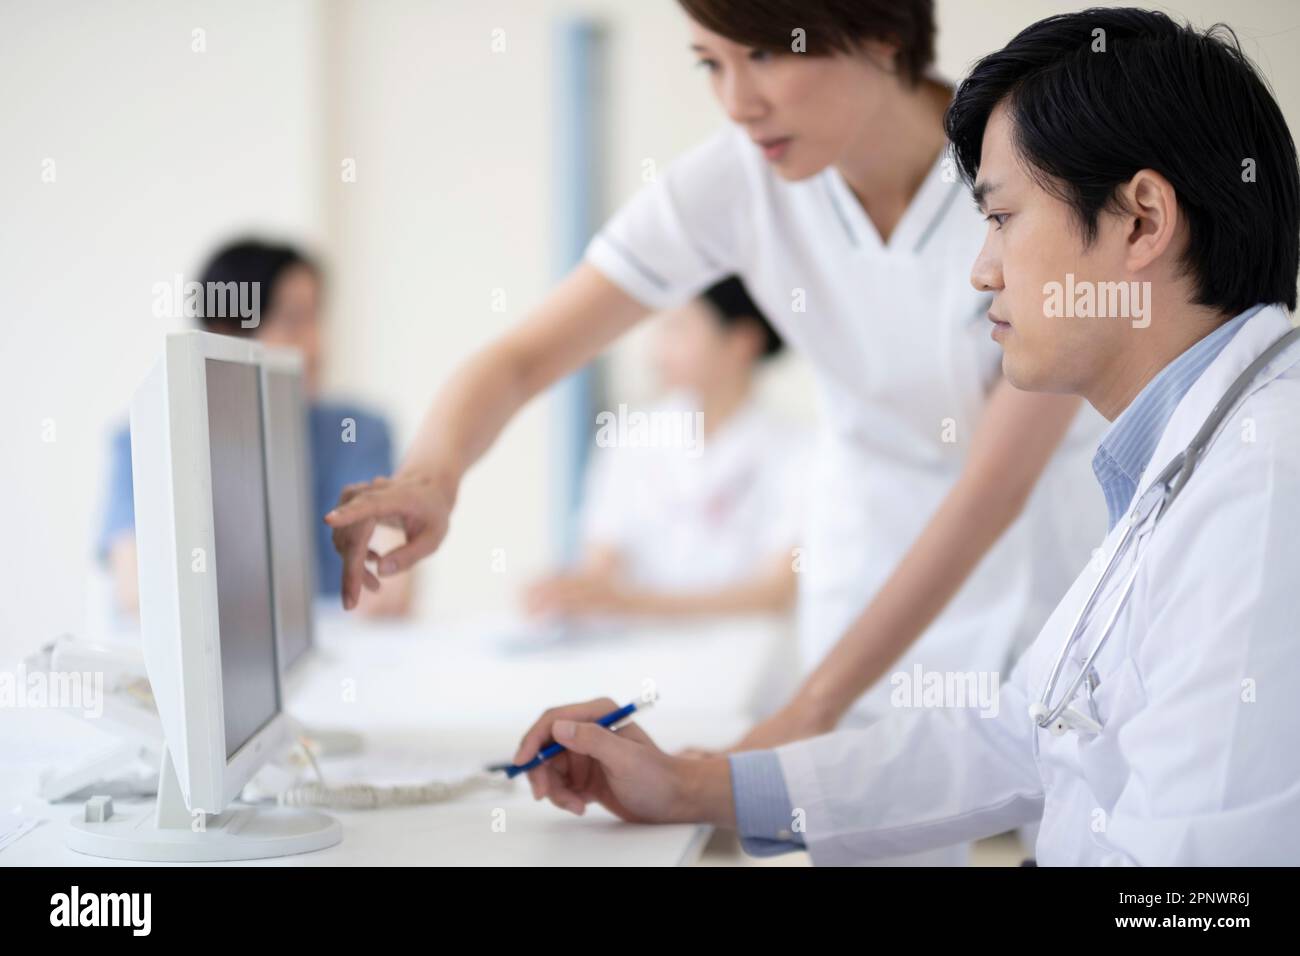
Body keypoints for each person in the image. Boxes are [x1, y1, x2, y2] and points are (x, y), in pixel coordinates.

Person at [509, 8, 1300, 866]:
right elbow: (1010, 742)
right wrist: (696, 787)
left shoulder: (1262, 490)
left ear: (1142, 222)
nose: (980, 269)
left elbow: (1197, 901)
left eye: (1002, 219)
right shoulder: (1187, 461)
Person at [326, 0, 1106, 863]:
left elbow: (992, 489)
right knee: (865, 828)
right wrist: (436, 473)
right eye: (711, 64)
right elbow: (525, 354)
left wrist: (803, 716)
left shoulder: (1024, 177)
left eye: (768, 55)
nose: (737, 101)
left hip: (1035, 540)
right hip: (871, 547)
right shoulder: (740, 179)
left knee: (1068, 820)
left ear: (883, 37)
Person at [97, 239, 412, 618]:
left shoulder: (358, 432)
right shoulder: (147, 439)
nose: (315, 347)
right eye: (293, 322)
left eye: (316, 319)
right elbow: (139, 594)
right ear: (225, 330)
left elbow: (389, 593)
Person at [524, 277, 808, 620]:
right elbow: (601, 561)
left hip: (749, 658)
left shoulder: (800, 451)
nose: (658, 351)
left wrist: (630, 603)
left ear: (742, 342)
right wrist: (570, 592)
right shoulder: (631, 437)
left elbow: (777, 592)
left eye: (678, 329)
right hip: (640, 653)